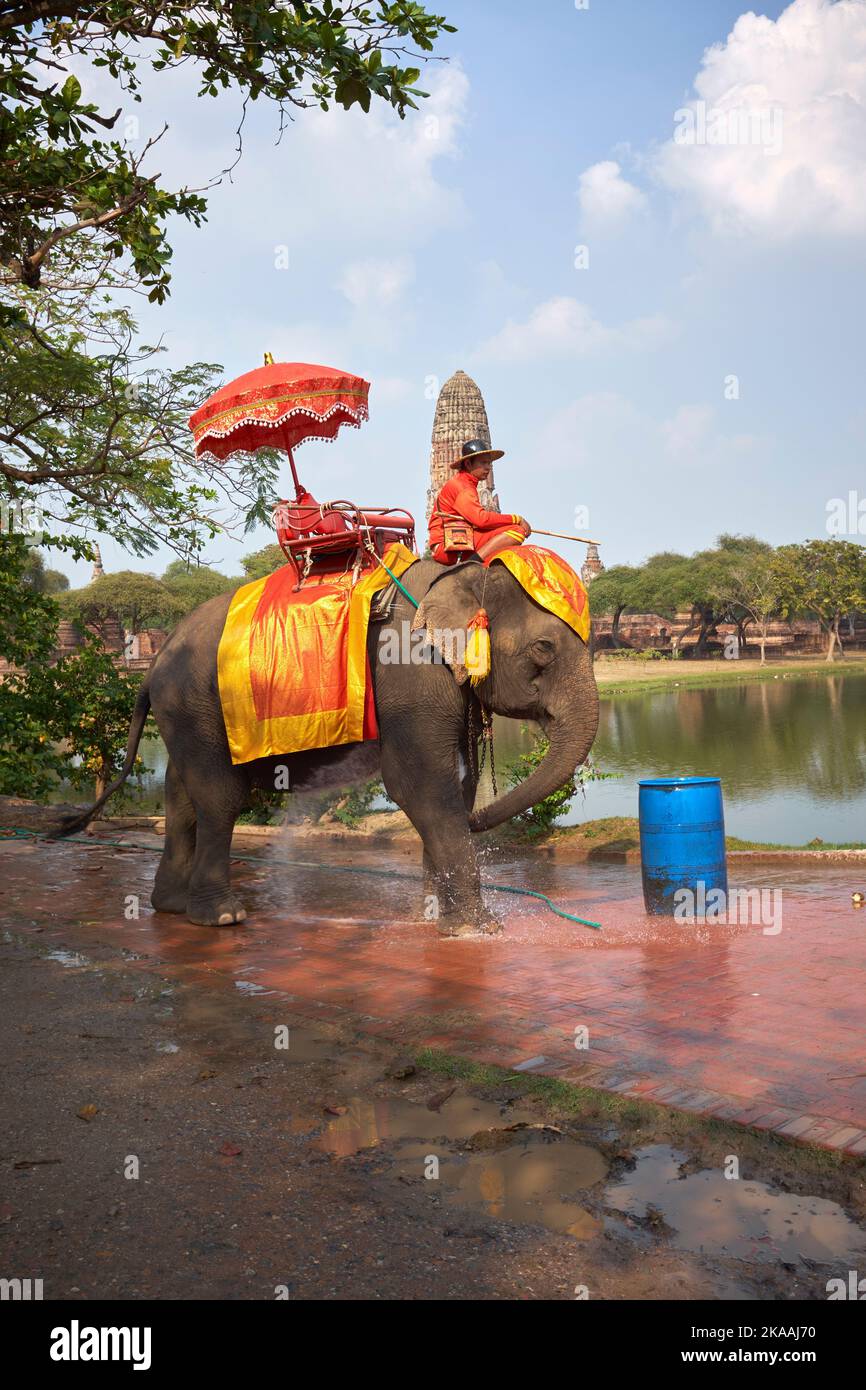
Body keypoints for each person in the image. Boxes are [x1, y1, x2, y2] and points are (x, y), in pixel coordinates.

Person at [428, 439, 531, 565]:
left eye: (489, 463)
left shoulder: (464, 483)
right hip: (448, 545)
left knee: (504, 529)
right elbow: (481, 520)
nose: (488, 468)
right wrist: (516, 519)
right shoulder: (463, 487)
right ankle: (471, 565)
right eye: (483, 463)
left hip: (458, 537)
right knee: (517, 530)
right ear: (468, 464)